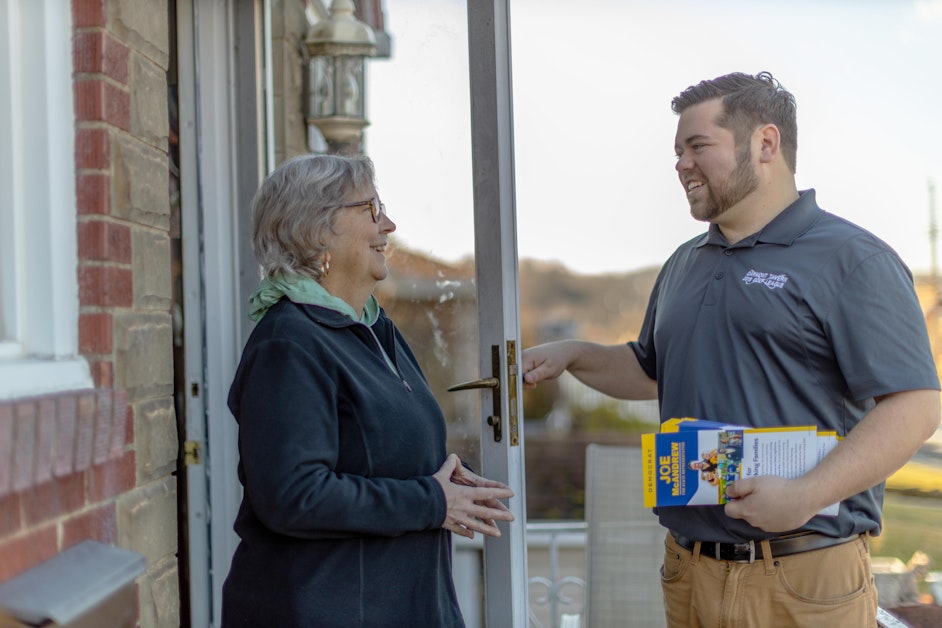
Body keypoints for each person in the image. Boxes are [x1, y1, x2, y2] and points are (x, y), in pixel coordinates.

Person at [522, 72, 941, 627]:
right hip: (689, 571)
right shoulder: (683, 263)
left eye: (698, 146)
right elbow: (650, 371)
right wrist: (574, 354)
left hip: (803, 577)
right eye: (677, 151)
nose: (681, 164)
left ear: (765, 144)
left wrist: (804, 495)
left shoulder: (852, 259)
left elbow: (915, 408)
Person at [222, 154, 515, 627]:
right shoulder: (289, 344)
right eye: (371, 209)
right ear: (318, 232)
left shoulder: (373, 329)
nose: (390, 225)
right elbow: (293, 496)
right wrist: (431, 501)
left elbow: (373, 456)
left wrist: (446, 482)